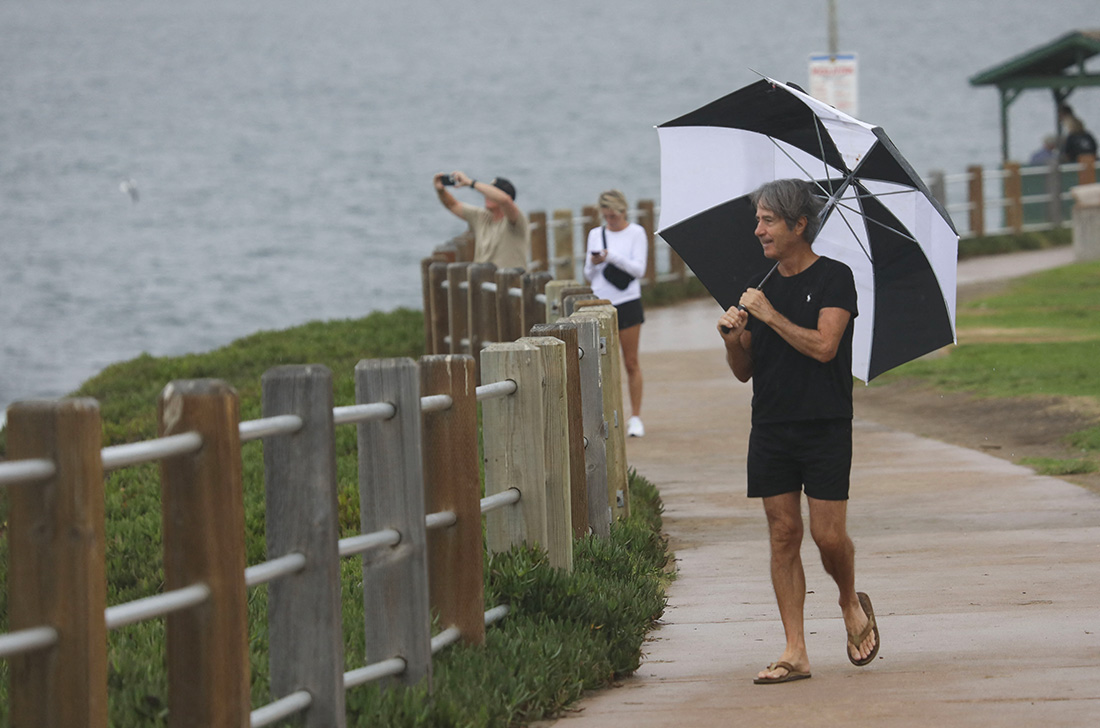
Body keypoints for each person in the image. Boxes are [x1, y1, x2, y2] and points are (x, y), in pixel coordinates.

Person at [716, 179, 879, 685]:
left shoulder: (835, 278)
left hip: (824, 424)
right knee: (783, 533)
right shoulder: (756, 283)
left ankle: (849, 600)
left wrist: (770, 315)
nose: (758, 229)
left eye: (768, 220)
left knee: (828, 536)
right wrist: (733, 339)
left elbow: (825, 347)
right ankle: (795, 650)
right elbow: (744, 371)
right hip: (770, 425)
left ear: (799, 225)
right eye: (758, 220)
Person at [583, 189, 648, 438]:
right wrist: (594, 263)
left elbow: (639, 270)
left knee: (630, 362)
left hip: (628, 300)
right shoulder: (595, 234)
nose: (610, 221)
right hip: (601, 301)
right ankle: (606, 416)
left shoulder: (636, 233)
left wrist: (611, 256)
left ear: (623, 212)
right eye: (606, 216)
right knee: (601, 364)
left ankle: (636, 417)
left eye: (614, 216)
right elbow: (588, 274)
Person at [433, 171, 529, 269]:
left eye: (491, 193)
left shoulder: (515, 220)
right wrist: (441, 191)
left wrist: (470, 183)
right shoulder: (481, 216)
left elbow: (505, 200)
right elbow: (453, 205)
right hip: (482, 277)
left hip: (511, 278)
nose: (487, 196)